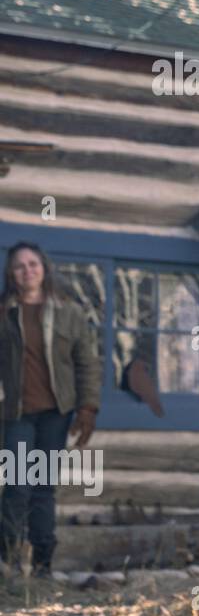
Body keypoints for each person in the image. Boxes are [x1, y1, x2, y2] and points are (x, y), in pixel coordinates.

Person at [0, 242, 101, 576]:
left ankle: (43, 564)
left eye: (33, 264)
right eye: (19, 266)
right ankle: (8, 560)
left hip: (55, 413)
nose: (27, 270)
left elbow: (86, 361)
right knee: (17, 484)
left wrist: (87, 407)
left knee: (43, 486)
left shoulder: (68, 312)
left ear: (43, 268)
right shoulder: (3, 312)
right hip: (16, 414)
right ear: (11, 275)